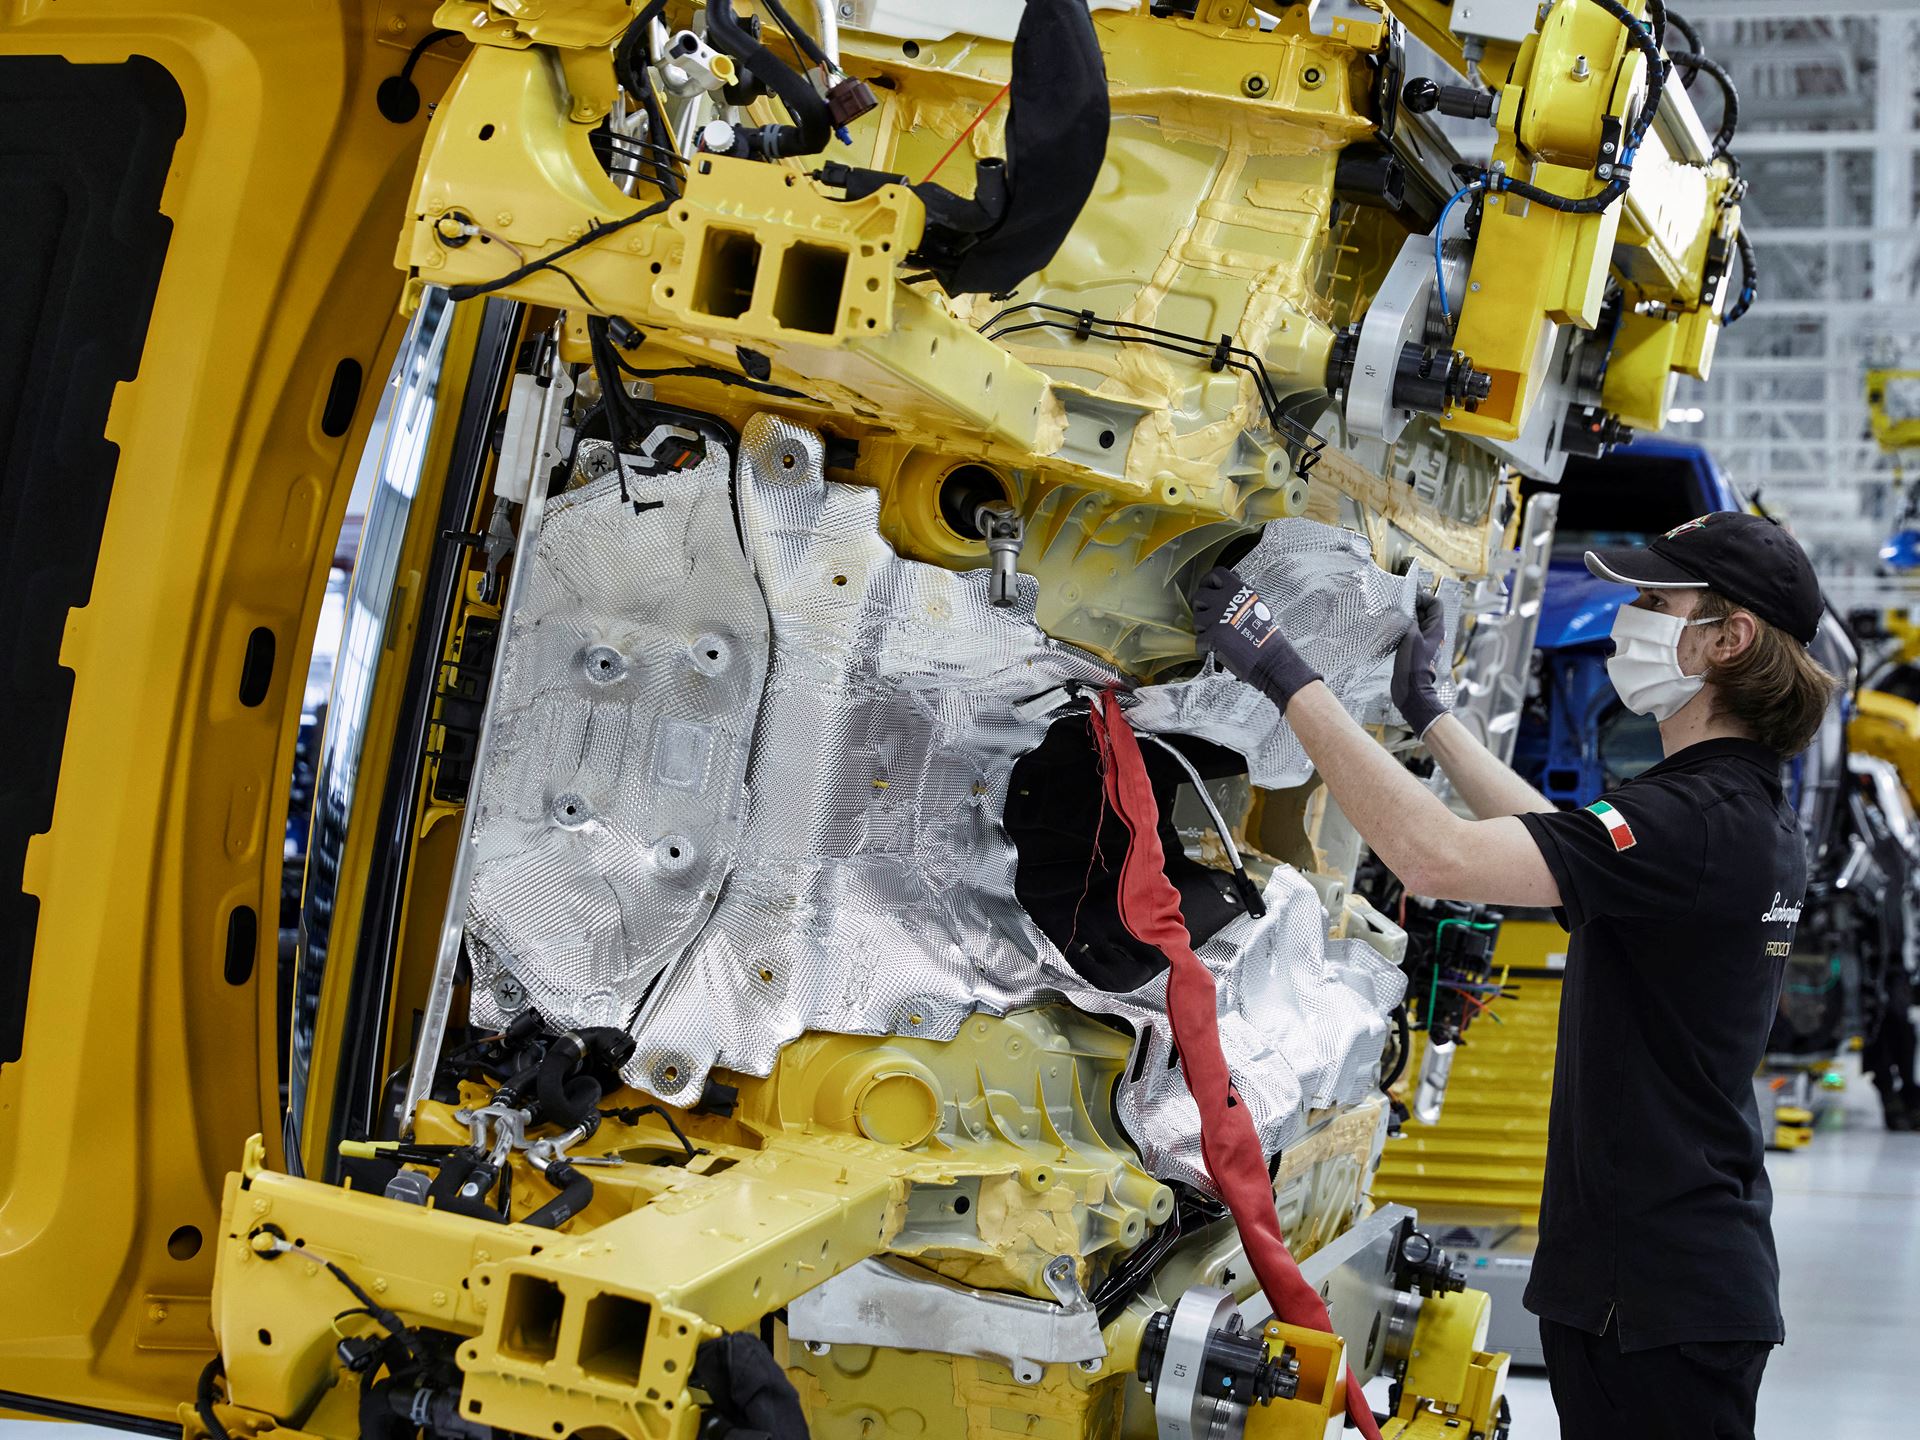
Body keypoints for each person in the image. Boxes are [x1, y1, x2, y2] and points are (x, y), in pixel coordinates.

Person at [1190, 512, 1838, 1440]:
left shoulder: (1695, 821)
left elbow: (1440, 859)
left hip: (1653, 1294)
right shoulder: (1737, 810)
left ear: (1727, 640)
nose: (1629, 620)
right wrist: (1433, 718)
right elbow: (1560, 850)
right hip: (1672, 1276)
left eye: (1658, 603)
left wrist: (1285, 673)